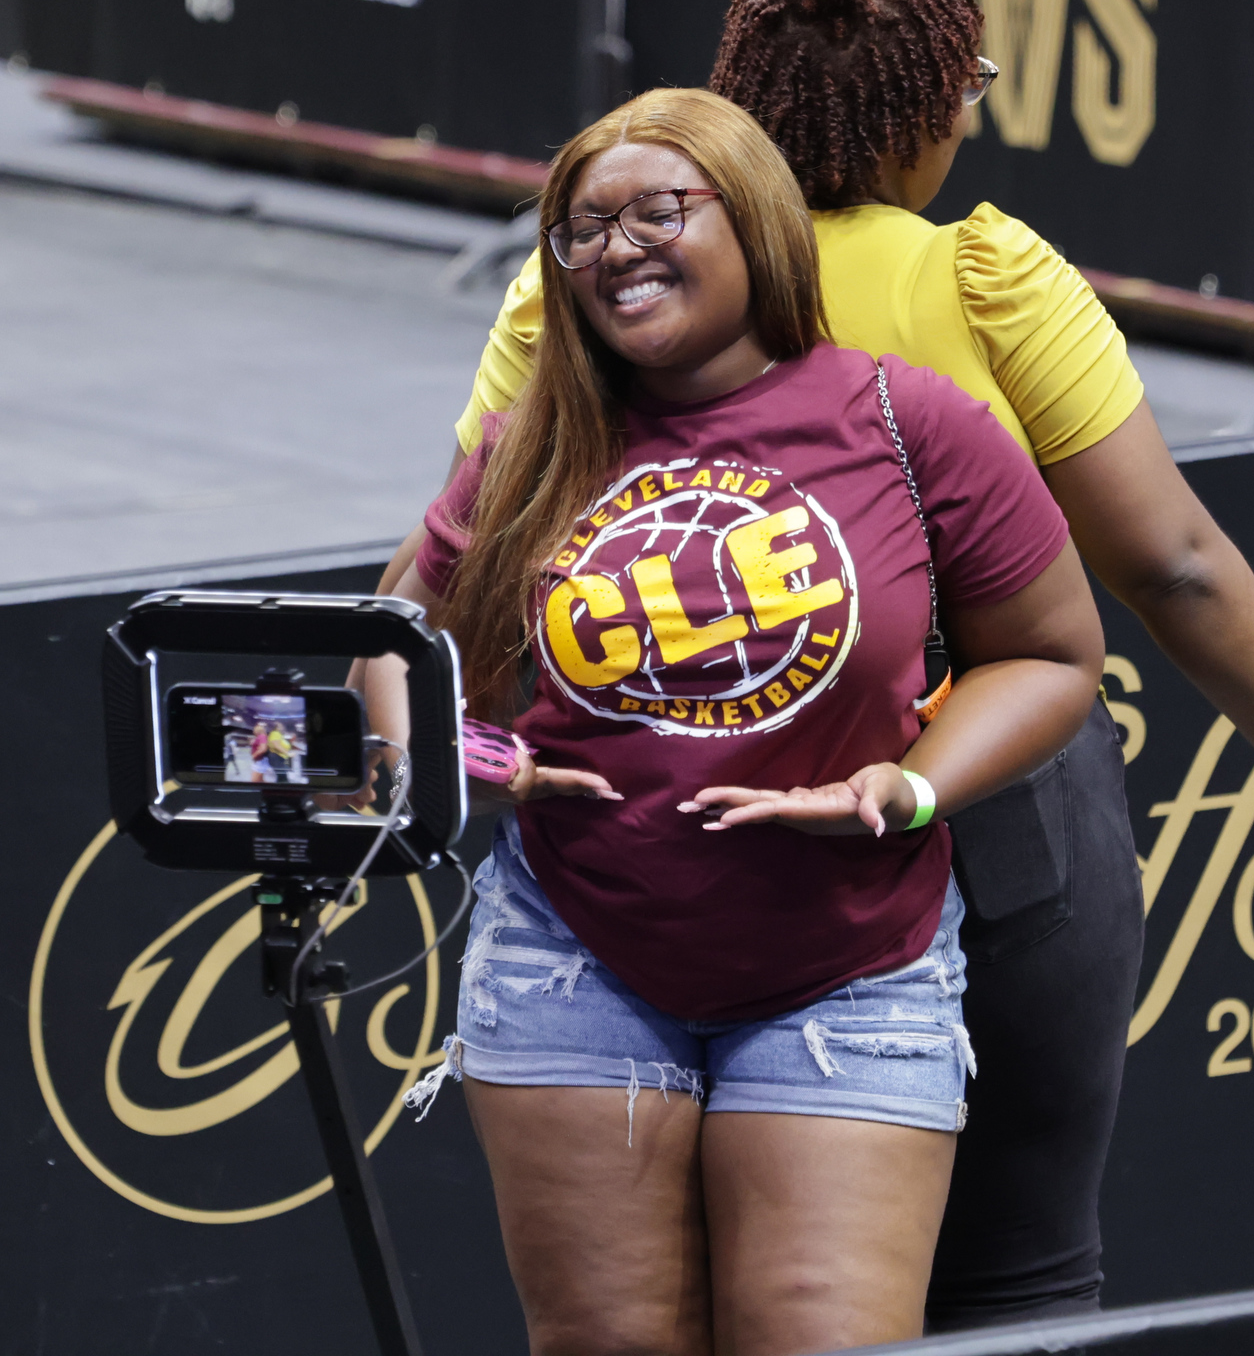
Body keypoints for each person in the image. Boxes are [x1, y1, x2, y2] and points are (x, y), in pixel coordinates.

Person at [381, 0, 1254, 1327]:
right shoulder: (984, 274)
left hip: (652, 810)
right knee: (1017, 1276)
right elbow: (1176, 567)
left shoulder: (583, 285)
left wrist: (482, 753)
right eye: (970, 93)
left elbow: (468, 573)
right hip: (995, 804)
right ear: (924, 115)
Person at [378, 85, 1107, 1354]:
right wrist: (477, 760)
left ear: (759, 221)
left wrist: (907, 788)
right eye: (583, 229)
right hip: (575, 959)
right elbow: (394, 654)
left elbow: (1053, 653)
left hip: (851, 974)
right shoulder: (531, 441)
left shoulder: (905, 417)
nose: (617, 247)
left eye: (658, 210)